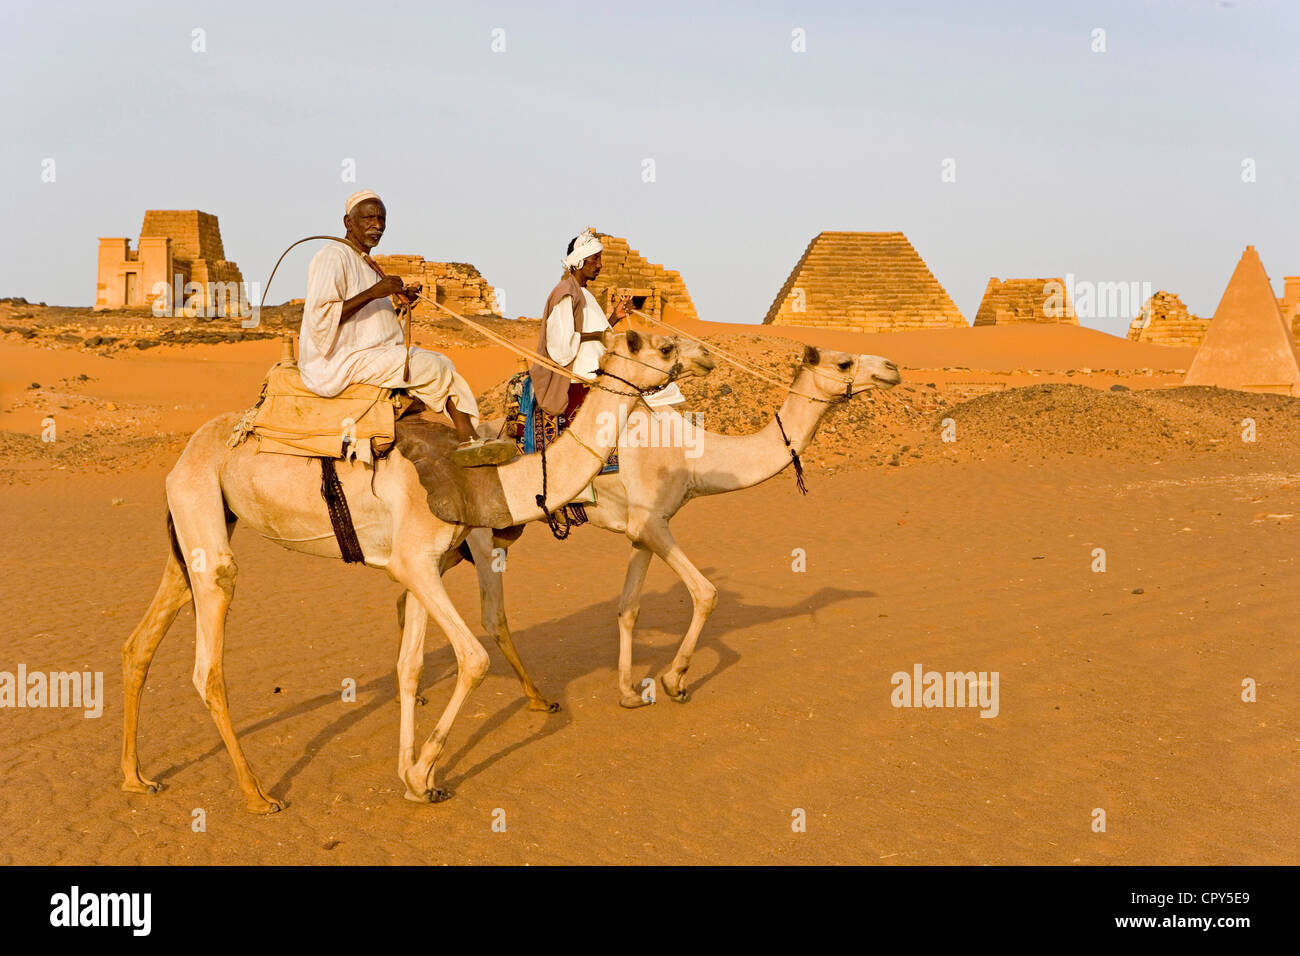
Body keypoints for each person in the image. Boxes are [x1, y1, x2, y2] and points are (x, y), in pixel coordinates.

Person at [300, 190, 513, 465]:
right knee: (432, 367)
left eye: (381, 219)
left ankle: (468, 434)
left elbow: (370, 322)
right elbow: (320, 316)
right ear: (348, 222)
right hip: (339, 360)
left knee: (441, 360)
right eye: (368, 218)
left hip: (369, 352)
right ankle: (469, 440)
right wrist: (374, 292)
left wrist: (400, 305)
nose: (377, 225)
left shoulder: (365, 262)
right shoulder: (333, 255)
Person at [529, 227, 685, 420]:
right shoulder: (566, 291)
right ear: (579, 261)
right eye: (595, 259)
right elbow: (561, 345)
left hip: (599, 369)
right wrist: (596, 335)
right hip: (581, 376)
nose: (600, 265)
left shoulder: (584, 292)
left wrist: (614, 318)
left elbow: (595, 335)